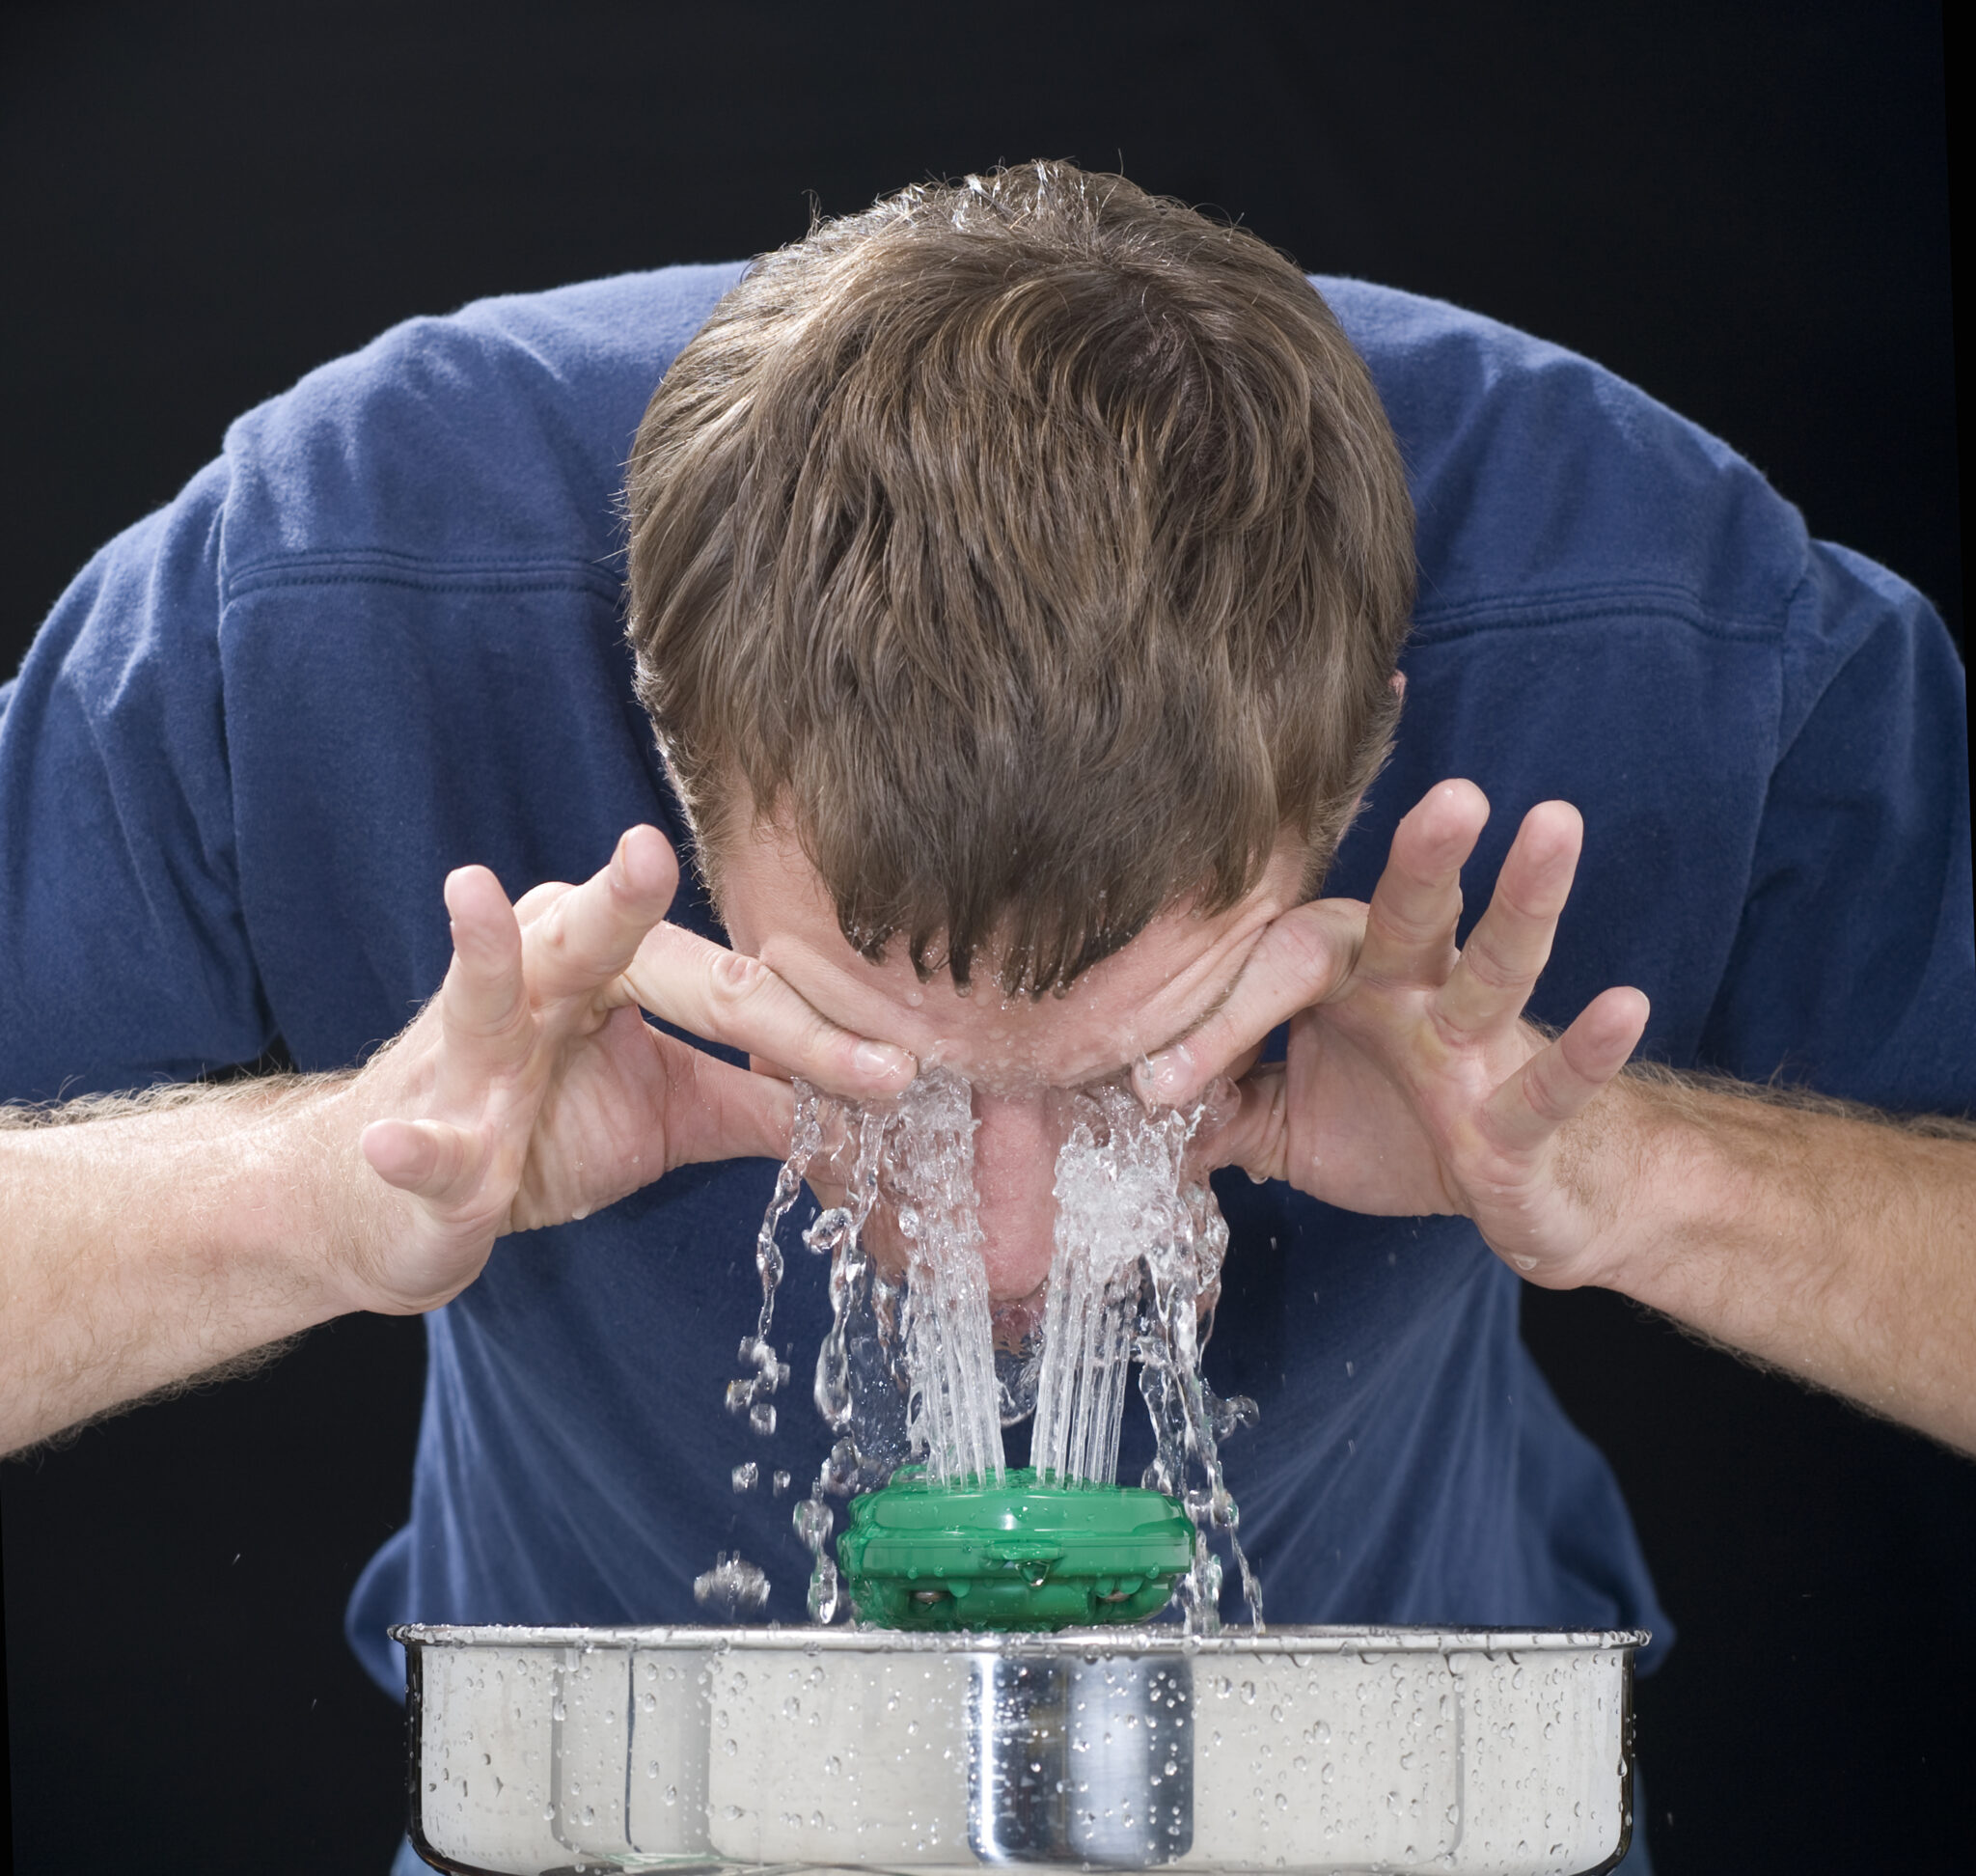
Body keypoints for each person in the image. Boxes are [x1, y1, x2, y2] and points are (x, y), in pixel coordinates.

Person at [3, 163, 1971, 1870]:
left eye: (1137, 1084)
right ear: (667, 739)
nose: (1013, 1252)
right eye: (874, 1073)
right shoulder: (315, 592)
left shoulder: (1661, 618)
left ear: (1369, 741)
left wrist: (1639, 1180)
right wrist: (320, 1190)